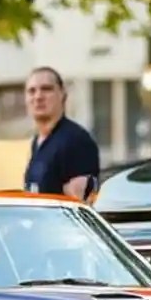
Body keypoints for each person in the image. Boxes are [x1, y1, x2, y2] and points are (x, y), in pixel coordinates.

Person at [22, 67, 101, 203]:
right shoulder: (38, 142)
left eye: (46, 89)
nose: (38, 96)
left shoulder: (76, 141)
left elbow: (79, 205)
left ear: (63, 94)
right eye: (32, 91)